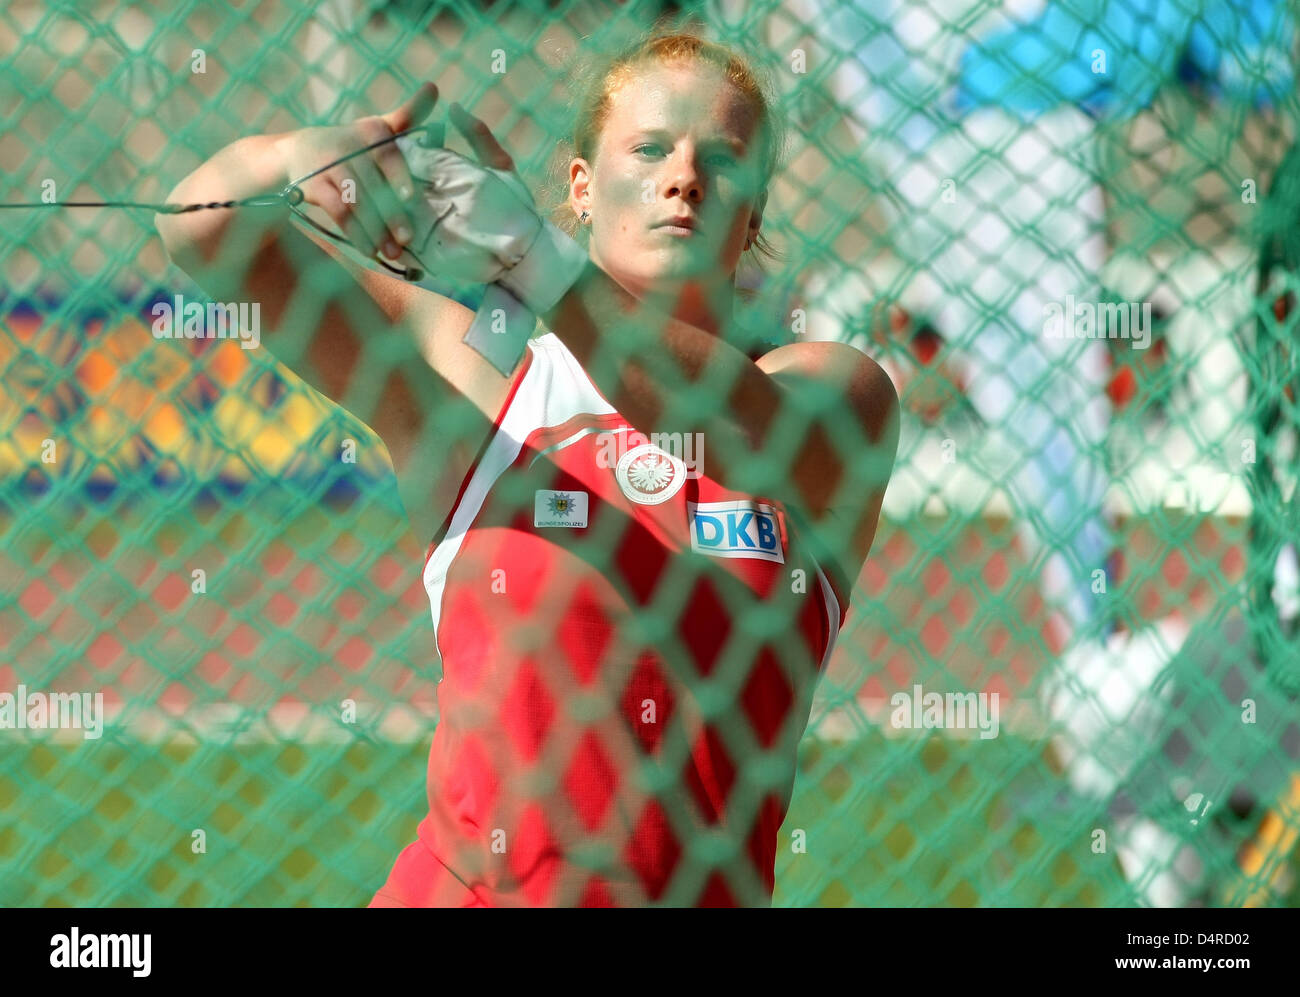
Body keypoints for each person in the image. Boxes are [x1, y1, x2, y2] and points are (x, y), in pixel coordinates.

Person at [155, 25, 900, 906]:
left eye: (724, 161)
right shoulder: (487, 380)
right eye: (650, 147)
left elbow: (711, 418)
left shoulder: (830, 394)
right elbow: (202, 229)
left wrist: (534, 261)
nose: (685, 176)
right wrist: (320, 153)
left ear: (756, 214)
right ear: (580, 188)